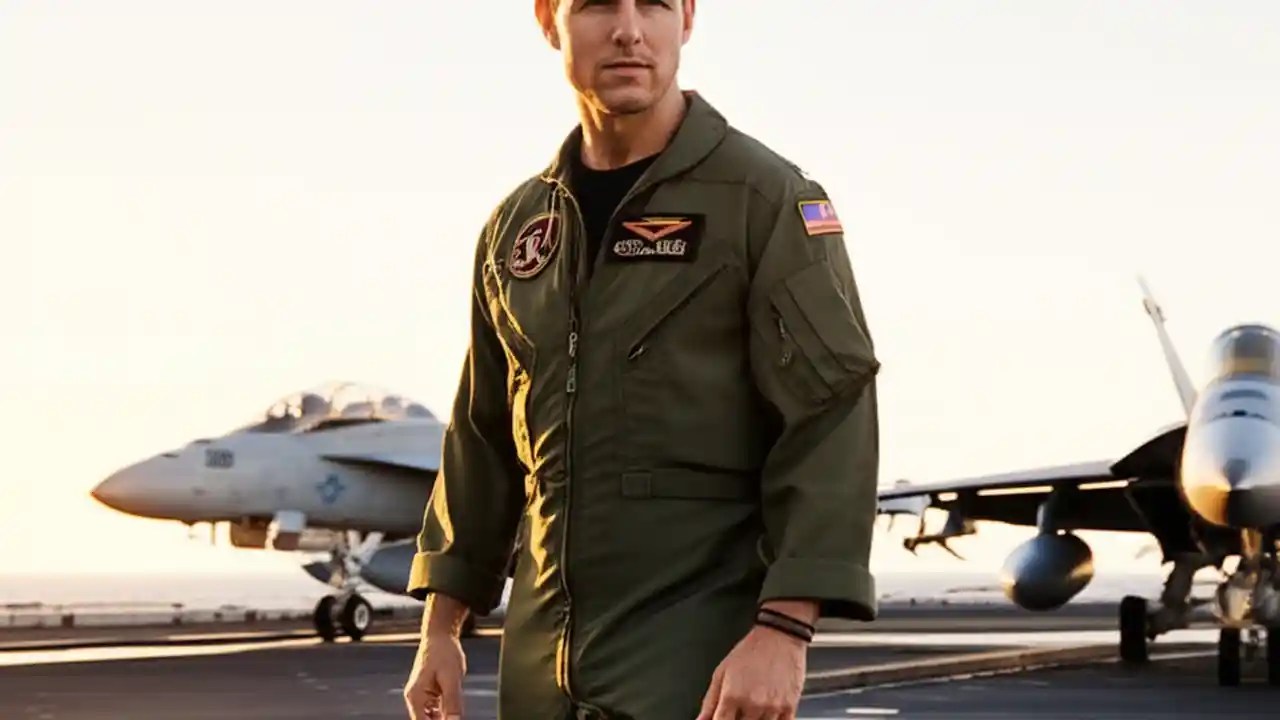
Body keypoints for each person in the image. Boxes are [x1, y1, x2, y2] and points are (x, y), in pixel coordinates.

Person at [403, 1, 881, 718]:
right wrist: (440, 627)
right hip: (539, 662)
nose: (628, 30)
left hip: (696, 654)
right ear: (547, 20)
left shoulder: (765, 200)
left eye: (653, 3)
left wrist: (784, 628)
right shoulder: (517, 228)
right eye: (597, 4)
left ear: (686, 18)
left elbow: (830, 412)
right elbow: (483, 434)